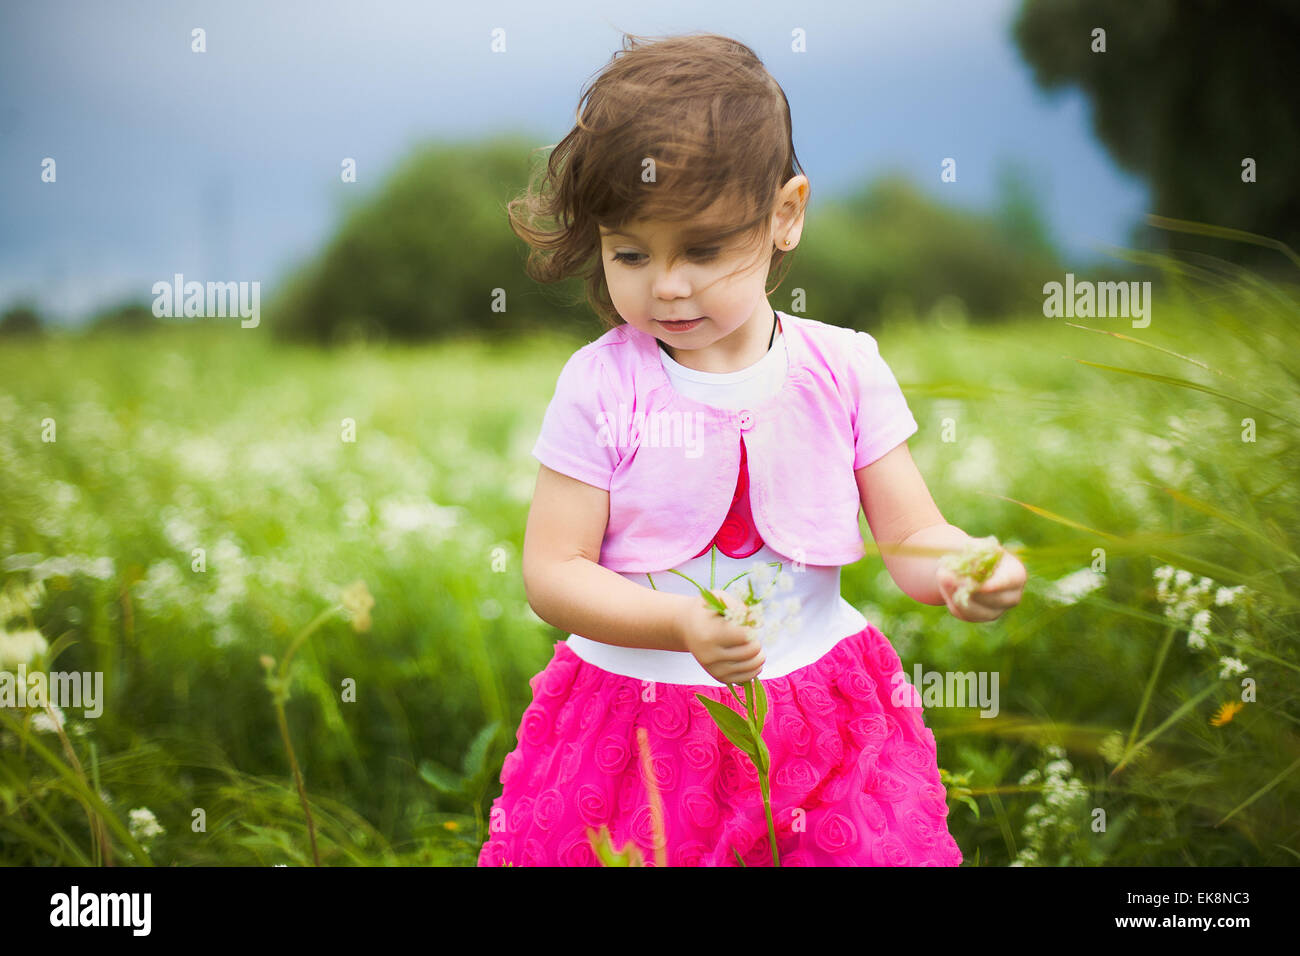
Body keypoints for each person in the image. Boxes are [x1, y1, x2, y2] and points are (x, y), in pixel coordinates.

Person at [477, 32, 1027, 867]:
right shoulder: (600, 386)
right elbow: (553, 573)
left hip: (821, 712)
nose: (666, 284)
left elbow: (913, 540)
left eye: (702, 250)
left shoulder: (843, 368)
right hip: (640, 723)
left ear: (785, 215)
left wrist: (963, 565)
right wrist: (677, 621)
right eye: (630, 252)